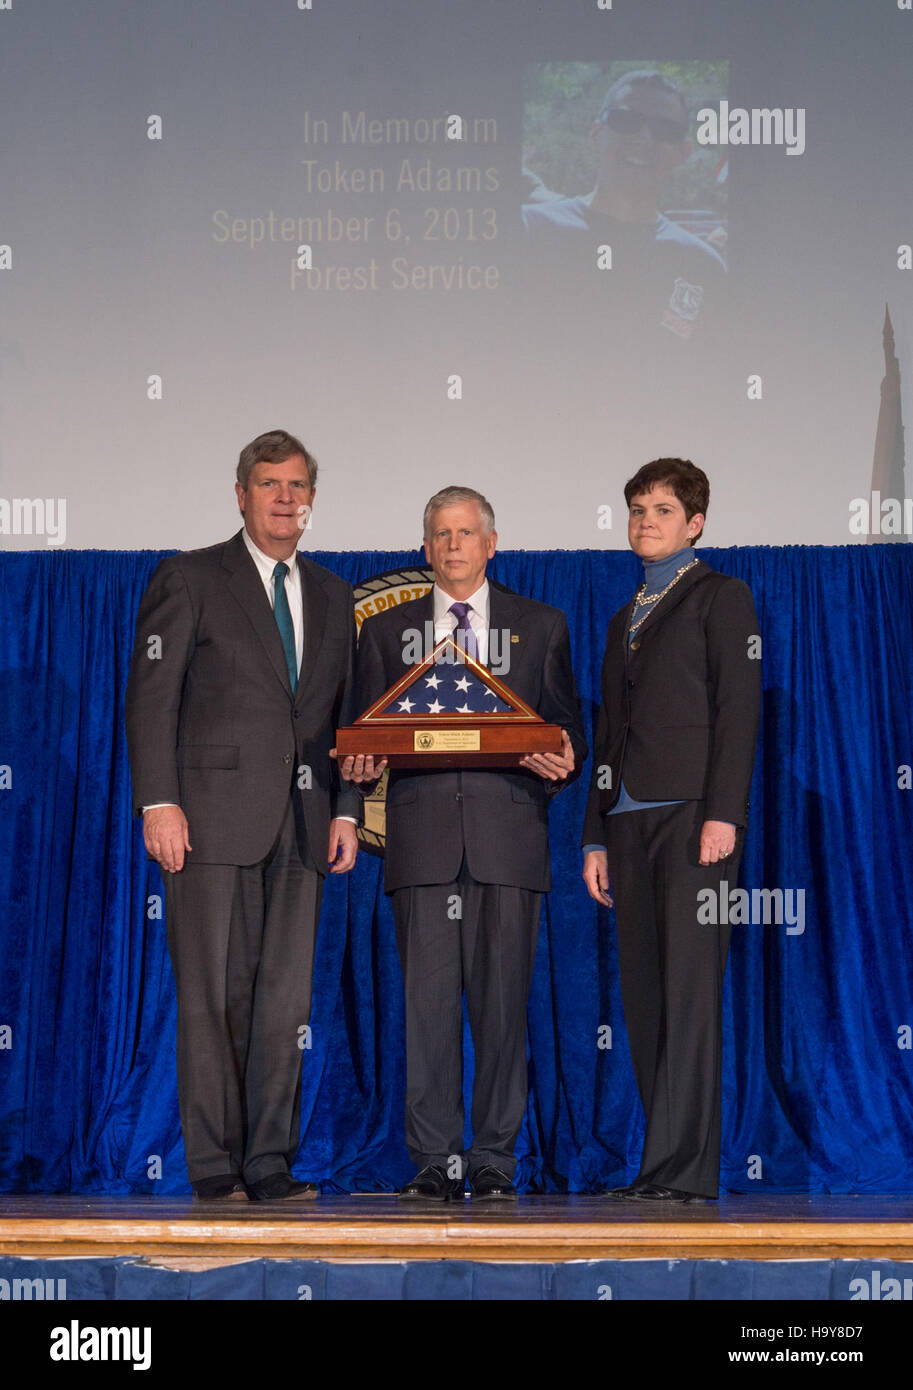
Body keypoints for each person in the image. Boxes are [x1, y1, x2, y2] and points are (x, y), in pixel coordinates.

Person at [125, 429, 361, 1202]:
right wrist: (160, 802)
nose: (285, 498)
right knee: (212, 998)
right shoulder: (190, 578)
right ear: (241, 494)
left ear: (312, 501)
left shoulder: (331, 594)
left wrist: (348, 811)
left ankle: (268, 1163)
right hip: (210, 822)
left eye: (297, 486)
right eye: (269, 484)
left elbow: (345, 719)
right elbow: (151, 701)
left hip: (304, 824)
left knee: (283, 1004)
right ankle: (215, 1166)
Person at [339, 486, 587, 1201]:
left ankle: (495, 1164)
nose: (452, 545)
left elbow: (566, 733)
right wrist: (357, 773)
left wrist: (563, 761)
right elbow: (362, 736)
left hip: (508, 845)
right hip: (419, 848)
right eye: (439, 534)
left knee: (504, 1011)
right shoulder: (385, 635)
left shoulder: (540, 626)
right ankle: (434, 1163)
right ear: (424, 549)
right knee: (426, 1012)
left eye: (464, 533)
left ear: (490, 542)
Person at [582, 458, 761, 1202]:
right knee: (646, 998)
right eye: (636, 510)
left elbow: (737, 710)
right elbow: (606, 731)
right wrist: (594, 833)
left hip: (693, 819)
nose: (644, 522)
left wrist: (723, 812)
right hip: (626, 821)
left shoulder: (721, 598)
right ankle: (661, 1169)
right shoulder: (625, 616)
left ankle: (685, 1172)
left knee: (689, 995)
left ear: (693, 523)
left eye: (660, 510)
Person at [523, 70, 725, 342]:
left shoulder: (703, 268)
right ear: (596, 132)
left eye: (665, 130)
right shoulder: (527, 233)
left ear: (683, 152)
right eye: (626, 120)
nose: (644, 139)